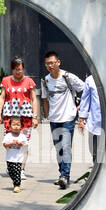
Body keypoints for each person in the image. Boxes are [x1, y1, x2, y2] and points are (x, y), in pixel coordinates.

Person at [42, 50, 85, 189]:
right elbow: (45, 99)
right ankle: (62, 175)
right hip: (54, 119)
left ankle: (65, 176)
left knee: (66, 147)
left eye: (52, 63)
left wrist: (80, 107)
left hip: (68, 118)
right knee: (59, 148)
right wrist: (48, 115)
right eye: (47, 64)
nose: (50, 66)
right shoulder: (46, 80)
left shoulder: (68, 77)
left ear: (58, 62)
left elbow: (85, 89)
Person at [0, 57, 38, 171]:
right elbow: (2, 98)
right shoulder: (6, 80)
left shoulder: (29, 81)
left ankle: (21, 169)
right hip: (10, 117)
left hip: (26, 117)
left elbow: (34, 99)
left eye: (19, 69)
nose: (17, 72)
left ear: (23, 69)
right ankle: (12, 164)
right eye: (15, 69)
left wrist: (35, 117)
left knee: (24, 142)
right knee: (9, 141)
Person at [3, 117, 30, 193]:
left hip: (19, 159)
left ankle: (17, 185)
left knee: (18, 172)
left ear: (21, 126)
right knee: (11, 172)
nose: (16, 126)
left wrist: (21, 144)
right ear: (10, 126)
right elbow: (5, 145)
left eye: (18, 125)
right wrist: (11, 143)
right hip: (9, 158)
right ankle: (15, 180)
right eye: (14, 124)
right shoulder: (8, 136)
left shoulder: (22, 136)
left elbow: (26, 146)